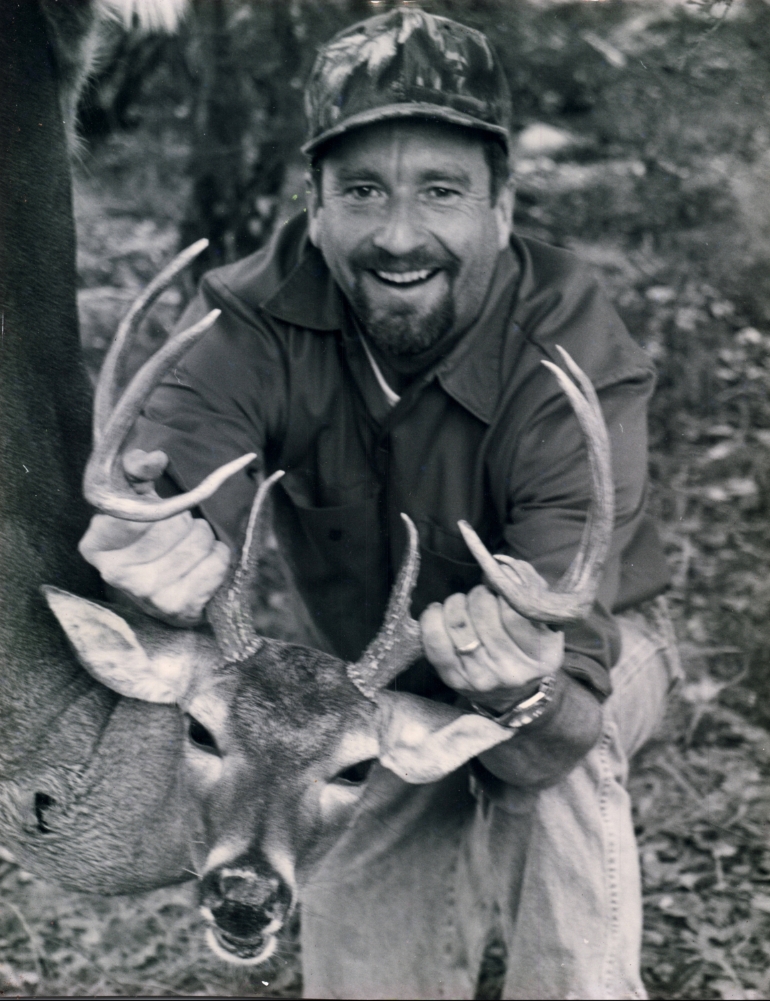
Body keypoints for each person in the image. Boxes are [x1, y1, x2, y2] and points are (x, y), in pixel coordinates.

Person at [79, 9, 680, 999]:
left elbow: (564, 700)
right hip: (368, 688)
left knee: (553, 776)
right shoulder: (252, 319)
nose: (398, 235)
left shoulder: (571, 348)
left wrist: (517, 687)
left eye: (439, 190)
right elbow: (162, 480)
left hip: (597, 659)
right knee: (359, 908)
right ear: (313, 206)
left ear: (501, 204)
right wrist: (148, 551)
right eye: (361, 191)